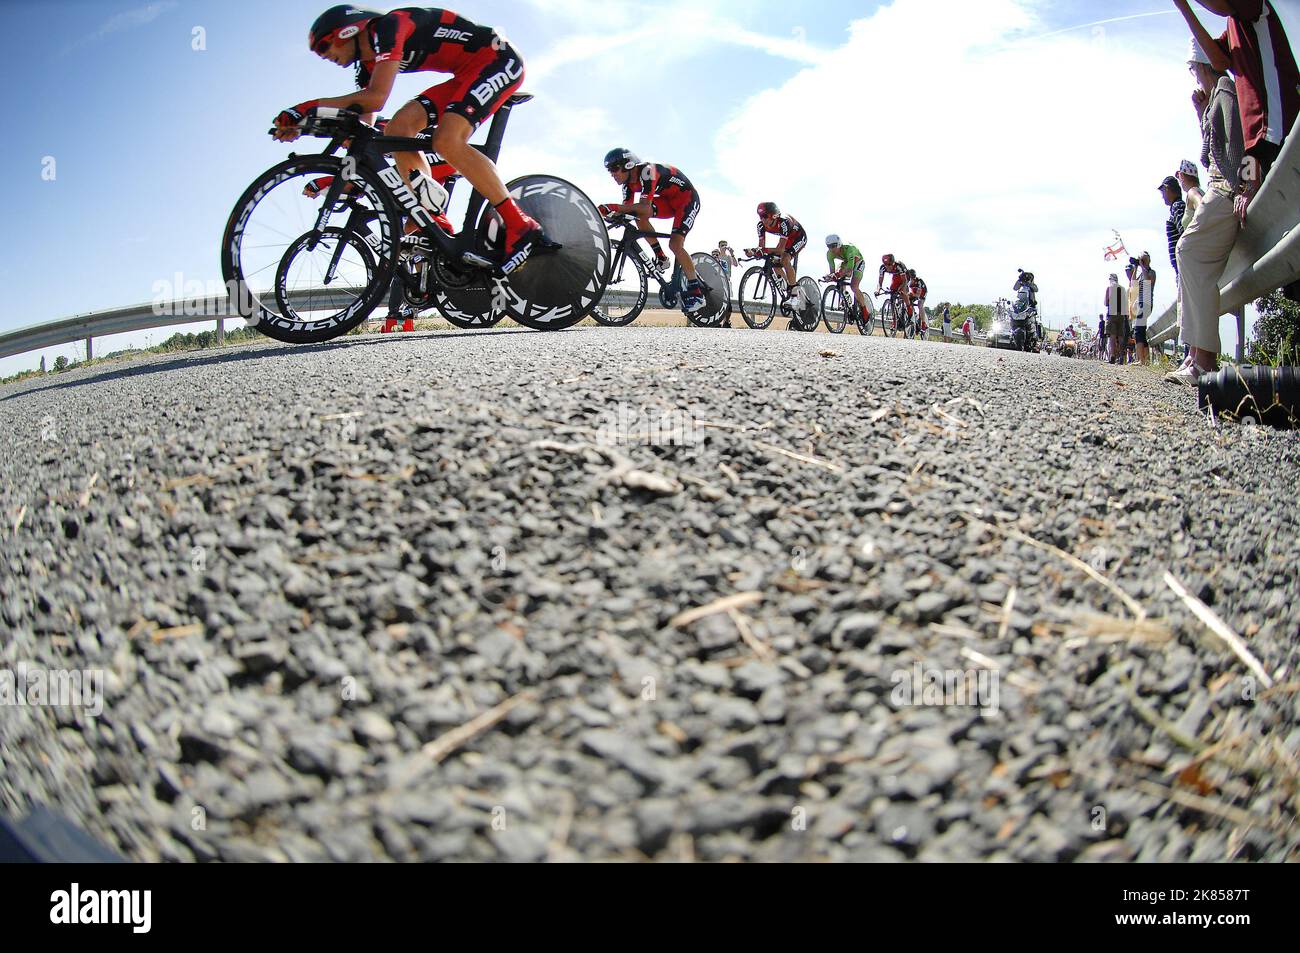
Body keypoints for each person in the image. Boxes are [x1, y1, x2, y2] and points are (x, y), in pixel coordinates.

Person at [277, 6, 549, 276]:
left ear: (348, 30)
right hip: (466, 74)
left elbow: (376, 98)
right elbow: (364, 122)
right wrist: (302, 124)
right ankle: (432, 217)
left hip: (498, 61)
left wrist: (305, 107)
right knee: (397, 129)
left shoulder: (388, 27)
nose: (325, 56)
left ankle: (521, 225)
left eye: (325, 46)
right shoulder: (369, 63)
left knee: (447, 140)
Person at [1169, 38, 1248, 385]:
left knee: (1188, 252)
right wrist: (1201, 115)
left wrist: (1245, 186)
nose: (1193, 76)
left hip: (1224, 189)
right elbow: (1210, 150)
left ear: (1202, 66)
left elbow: (1236, 143)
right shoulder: (1217, 95)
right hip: (1222, 187)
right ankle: (1196, 354)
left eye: (1193, 69)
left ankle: (1202, 358)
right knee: (1188, 255)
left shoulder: (1226, 89)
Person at [1173, 0, 1298, 188]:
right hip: (1259, 144)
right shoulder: (1232, 27)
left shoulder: (1250, 6)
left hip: (1281, 126)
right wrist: (1183, 7)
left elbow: (1223, 7)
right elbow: (1218, 61)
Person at [599, 149, 707, 313]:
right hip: (667, 201)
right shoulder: (627, 185)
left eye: (614, 169)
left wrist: (613, 207)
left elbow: (642, 207)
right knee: (638, 217)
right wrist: (616, 214)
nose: (612, 174)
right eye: (609, 171)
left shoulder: (647, 171)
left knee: (675, 244)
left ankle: (697, 293)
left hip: (687, 200)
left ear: (628, 165)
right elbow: (629, 209)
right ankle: (661, 258)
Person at [748, 203, 809, 314]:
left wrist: (762, 250)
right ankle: (789, 288)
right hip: (787, 239)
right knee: (774, 261)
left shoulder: (783, 223)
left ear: (773, 216)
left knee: (784, 259)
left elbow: (780, 249)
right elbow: (761, 247)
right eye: (760, 216)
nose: (762, 219)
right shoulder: (760, 226)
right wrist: (754, 252)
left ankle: (795, 295)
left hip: (799, 237)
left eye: (765, 216)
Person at [824, 236, 871, 320]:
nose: (831, 249)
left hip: (858, 262)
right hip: (846, 261)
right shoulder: (829, 254)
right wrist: (830, 276)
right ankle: (845, 297)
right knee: (838, 277)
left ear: (839, 244)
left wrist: (838, 274)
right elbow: (832, 272)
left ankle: (864, 310)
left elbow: (849, 269)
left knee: (854, 286)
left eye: (833, 246)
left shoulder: (849, 249)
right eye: (829, 246)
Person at [877, 255, 912, 331]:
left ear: (893, 263)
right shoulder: (882, 268)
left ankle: (909, 311)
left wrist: (900, 289)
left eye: (889, 264)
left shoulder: (899, 266)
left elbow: (905, 281)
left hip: (905, 278)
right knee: (892, 294)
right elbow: (879, 282)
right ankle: (895, 322)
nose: (887, 267)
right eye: (885, 264)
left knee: (903, 293)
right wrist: (878, 290)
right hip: (896, 277)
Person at [1104, 274, 1128, 364]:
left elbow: (1106, 302)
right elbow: (1126, 303)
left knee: (1112, 335)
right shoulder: (1123, 289)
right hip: (1121, 314)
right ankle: (1121, 356)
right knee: (1121, 335)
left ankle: (1112, 355)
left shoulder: (1109, 288)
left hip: (1112, 313)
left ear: (1111, 279)